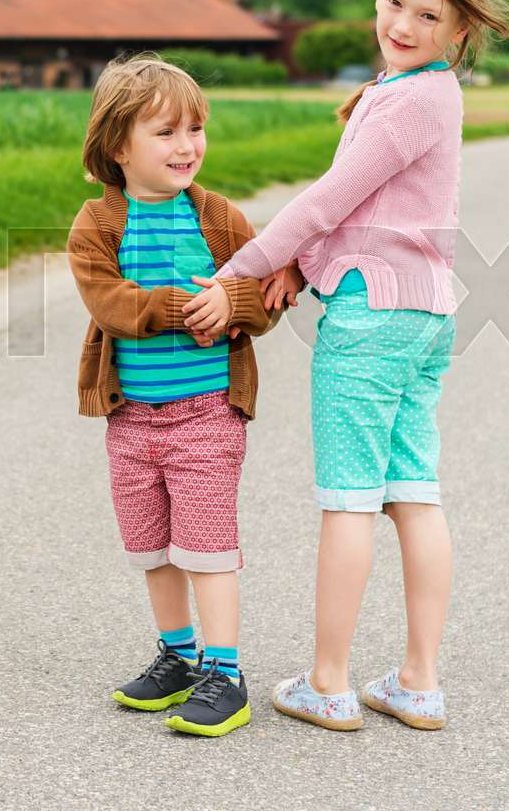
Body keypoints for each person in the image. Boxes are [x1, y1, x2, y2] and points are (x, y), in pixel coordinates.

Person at [183, 0, 509, 731]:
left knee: (348, 499)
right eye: (394, 1)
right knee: (411, 492)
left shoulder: (407, 102)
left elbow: (328, 200)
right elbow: (373, 209)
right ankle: (417, 680)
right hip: (425, 315)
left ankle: (328, 681)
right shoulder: (427, 93)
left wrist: (244, 270)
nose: (402, 24)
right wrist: (301, 267)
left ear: (462, 28)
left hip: (373, 319)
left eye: (428, 17)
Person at [67, 53, 294, 737]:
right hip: (132, 418)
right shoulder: (98, 224)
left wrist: (235, 304)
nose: (187, 145)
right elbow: (108, 302)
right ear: (117, 146)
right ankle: (179, 653)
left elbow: (271, 289)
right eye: (166, 132)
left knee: (206, 546)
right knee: (153, 547)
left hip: (207, 416)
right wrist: (176, 307)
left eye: (195, 128)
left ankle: (226, 673)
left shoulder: (218, 217)